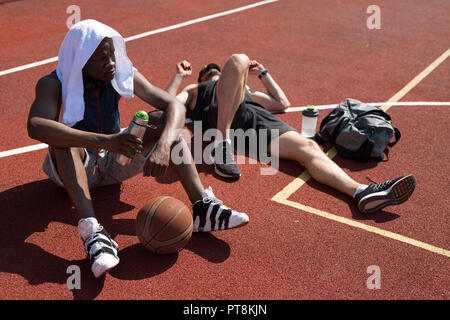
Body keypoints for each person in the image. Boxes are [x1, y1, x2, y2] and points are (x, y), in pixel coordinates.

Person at [26, 20, 249, 278]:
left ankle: (203, 208)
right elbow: (36, 126)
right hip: (77, 165)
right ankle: (93, 232)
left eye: (112, 55)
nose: (111, 62)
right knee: (62, 141)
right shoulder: (53, 83)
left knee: (163, 121)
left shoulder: (120, 71)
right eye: (101, 58)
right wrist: (106, 141)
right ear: (81, 60)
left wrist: (164, 145)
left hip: (115, 156)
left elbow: (174, 106)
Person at [165, 54, 416, 216]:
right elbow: (167, 104)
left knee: (308, 148)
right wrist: (179, 77)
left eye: (215, 70)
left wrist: (263, 73)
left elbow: (281, 103)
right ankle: (222, 143)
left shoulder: (246, 89)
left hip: (258, 125)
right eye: (207, 71)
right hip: (222, 124)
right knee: (239, 58)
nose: (211, 71)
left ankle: (361, 191)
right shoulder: (196, 89)